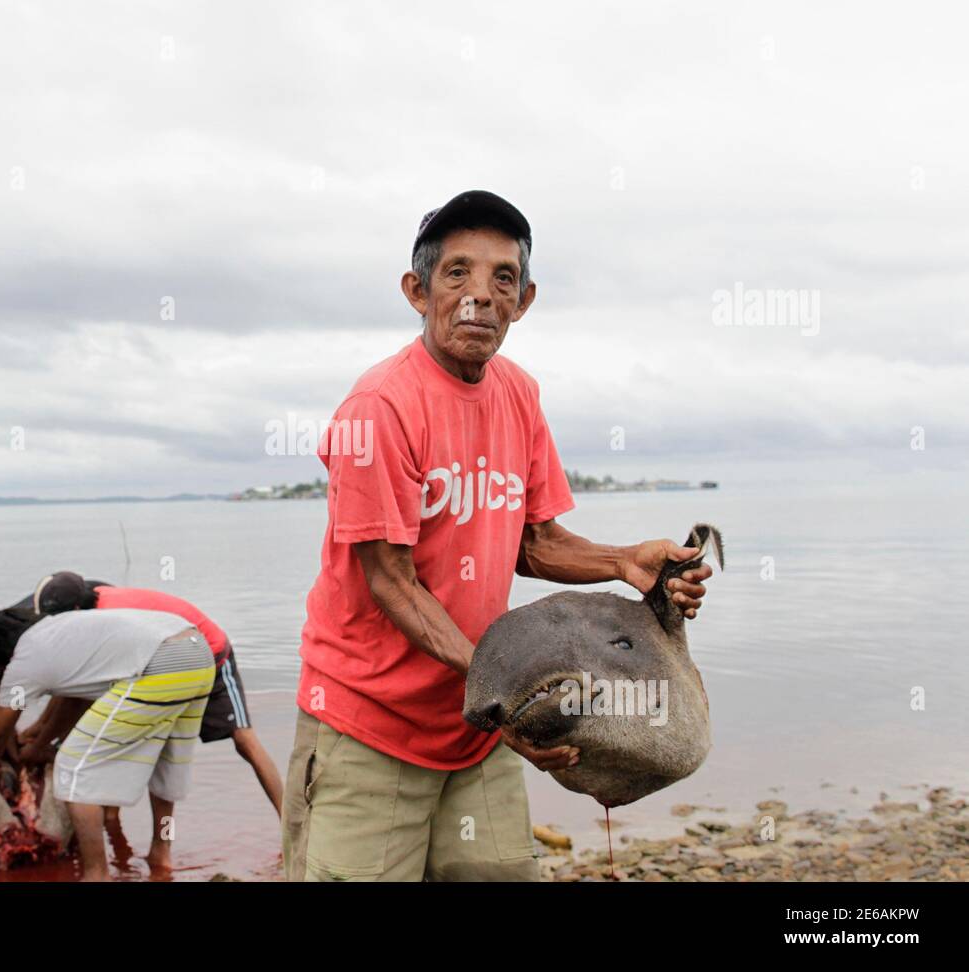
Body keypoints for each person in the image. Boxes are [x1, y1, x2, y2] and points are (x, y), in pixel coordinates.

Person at [281, 190, 713, 882]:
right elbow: (392, 581)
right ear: (417, 292)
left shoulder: (518, 394)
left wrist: (626, 562)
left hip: (474, 731)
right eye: (457, 274)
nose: (480, 296)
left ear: (525, 300)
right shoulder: (379, 410)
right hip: (370, 725)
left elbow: (534, 542)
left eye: (502, 278)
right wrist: (500, 689)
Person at [0, 606, 217, 881]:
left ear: (3, 657)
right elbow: (73, 699)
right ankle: (161, 852)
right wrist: (38, 745)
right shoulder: (57, 629)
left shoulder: (24, 660)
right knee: (166, 763)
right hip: (198, 653)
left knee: (73, 767)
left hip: (159, 662)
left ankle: (96, 874)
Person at [20, 572, 283, 820]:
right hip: (168, 661)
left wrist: (38, 745)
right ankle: (118, 822)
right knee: (147, 740)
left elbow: (74, 701)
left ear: (75, 612)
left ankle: (290, 823)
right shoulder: (94, 600)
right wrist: (37, 729)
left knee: (243, 739)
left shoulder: (106, 623)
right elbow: (70, 690)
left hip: (210, 654)